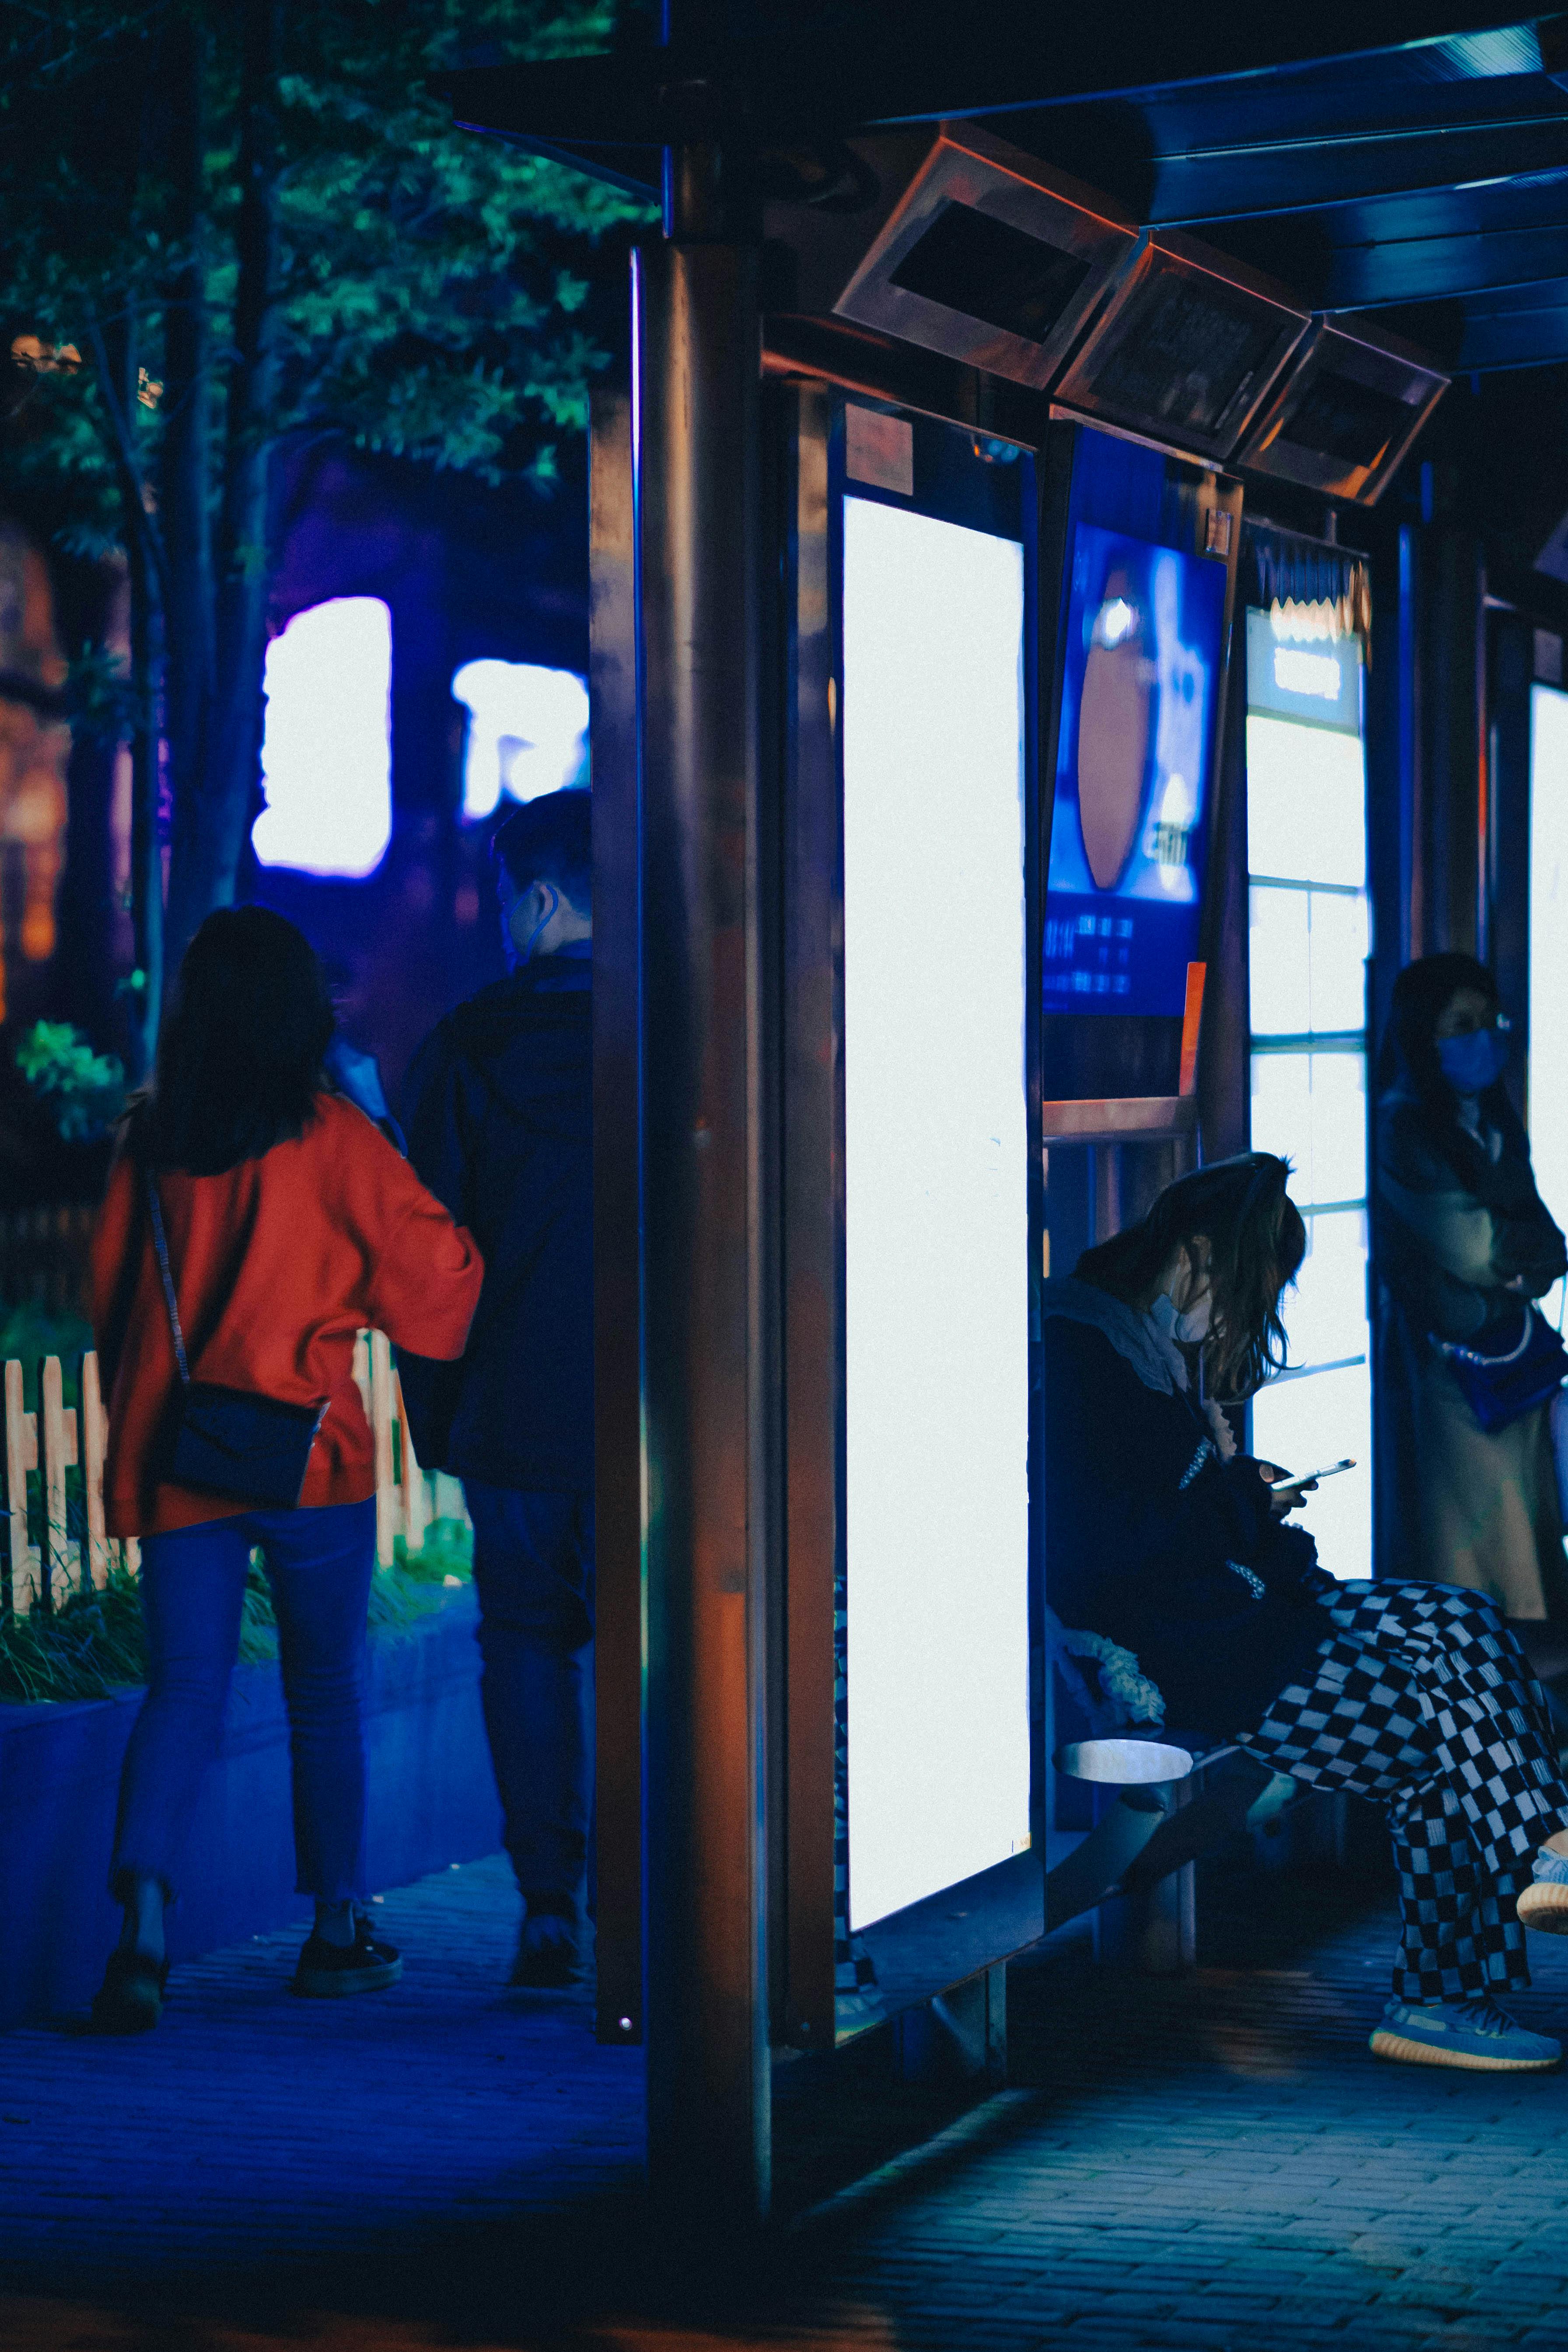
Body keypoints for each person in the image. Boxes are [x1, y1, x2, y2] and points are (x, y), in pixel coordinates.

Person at [1044, 1150, 1568, 2072]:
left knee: (1463, 1622)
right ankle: (1456, 1973)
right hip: (1204, 1650)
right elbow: (1126, 1541)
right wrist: (1243, 1503)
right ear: (1194, 1256)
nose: (1239, 1318)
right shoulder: (1090, 1355)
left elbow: (1183, 1517)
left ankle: (1540, 1853)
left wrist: (1244, 1499)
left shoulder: (1142, 1346)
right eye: (1249, 1290)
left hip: (1252, 1616)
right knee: (1430, 1739)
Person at [87, 907, 484, 2033]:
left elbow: (108, 1299)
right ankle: (337, 1930)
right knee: (324, 1694)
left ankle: (144, 1927)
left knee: (183, 1688)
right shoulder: (333, 1135)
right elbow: (443, 1286)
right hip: (311, 1456)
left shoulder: (150, 1137)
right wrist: (378, 1117)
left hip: (180, 1459)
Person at [400, 789, 594, 1988]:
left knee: (524, 1644)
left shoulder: (466, 1049)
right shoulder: (685, 1038)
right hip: (665, 1414)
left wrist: (445, 1418)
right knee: (663, 1650)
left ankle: (547, 1903)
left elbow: (431, 1252)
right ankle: (661, 1887)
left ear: (540, 898)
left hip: (515, 1416)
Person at [1376, 952, 1568, 1622]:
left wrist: (1518, 1261)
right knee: (1479, 1558)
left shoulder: (1487, 1116)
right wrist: (1515, 1266)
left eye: (1490, 1020)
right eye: (1461, 1023)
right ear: (1421, 1033)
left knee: (1526, 1543)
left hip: (1512, 1368)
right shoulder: (1402, 1125)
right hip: (1453, 1372)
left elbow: (1545, 1244)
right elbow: (1472, 1245)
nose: (1481, 1037)